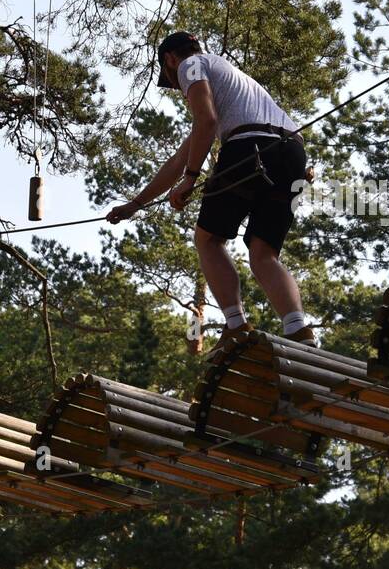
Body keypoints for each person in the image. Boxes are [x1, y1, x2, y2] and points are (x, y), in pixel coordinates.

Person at [107, 31, 316, 347]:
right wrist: (135, 204)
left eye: (172, 81)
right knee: (263, 252)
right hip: (291, 153)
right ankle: (299, 331)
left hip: (251, 146)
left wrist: (191, 180)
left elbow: (205, 122)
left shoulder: (190, 65)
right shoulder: (232, 83)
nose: (179, 88)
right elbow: (180, 157)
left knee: (208, 238)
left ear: (170, 60)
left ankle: (236, 326)